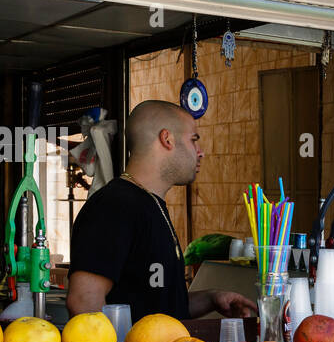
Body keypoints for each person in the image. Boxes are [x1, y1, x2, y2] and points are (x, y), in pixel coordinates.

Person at [67, 100, 255, 322]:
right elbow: (83, 301)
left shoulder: (150, 204)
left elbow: (159, 307)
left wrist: (212, 298)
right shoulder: (115, 205)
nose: (201, 152)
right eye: (194, 140)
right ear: (167, 139)